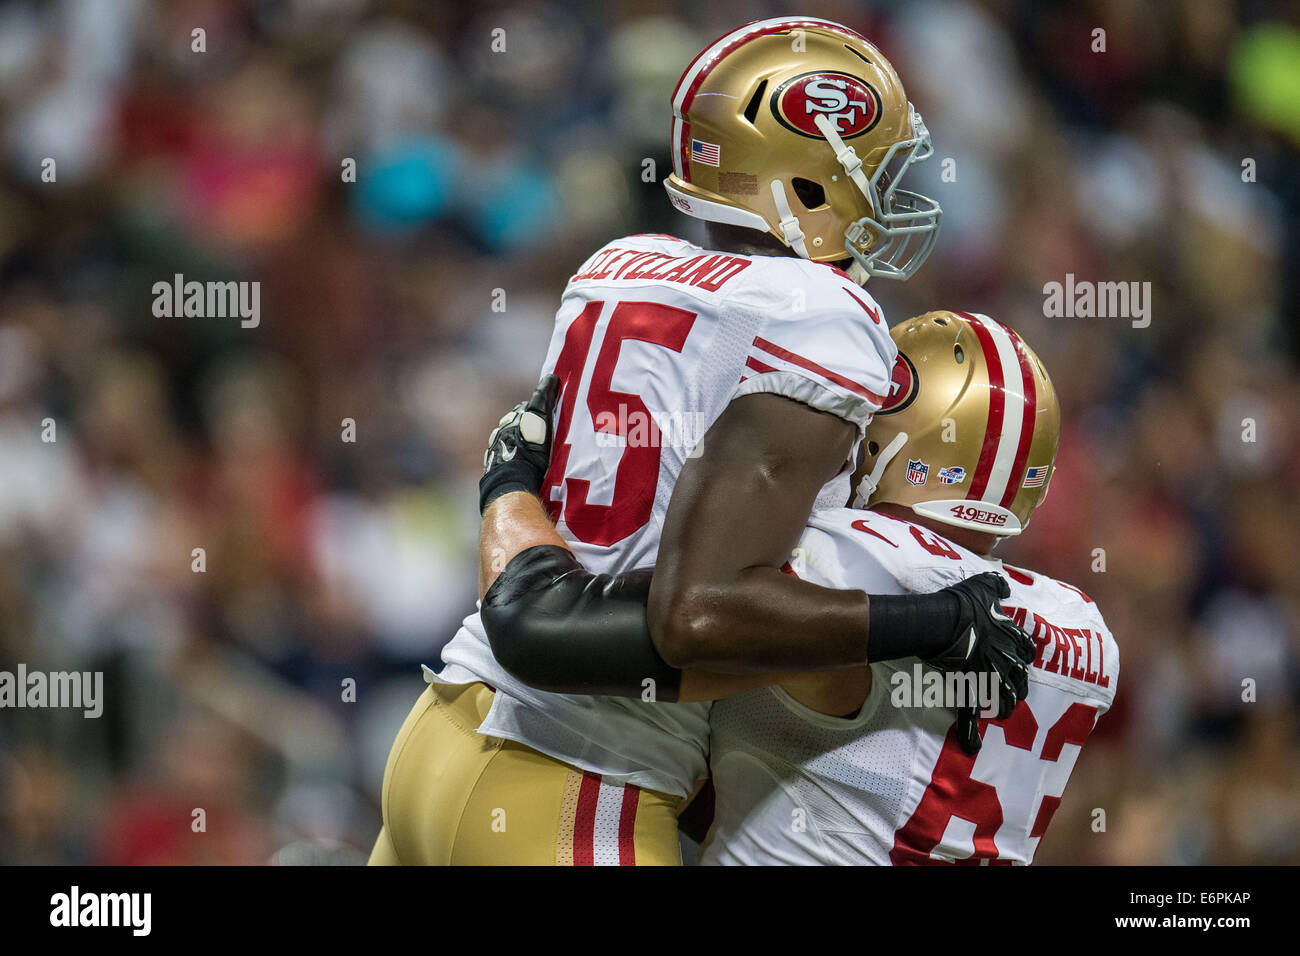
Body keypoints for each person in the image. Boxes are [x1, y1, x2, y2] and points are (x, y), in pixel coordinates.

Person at [369, 18, 1031, 866]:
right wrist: (927, 622)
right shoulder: (824, 317)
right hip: (579, 777)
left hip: (443, 727)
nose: (889, 195)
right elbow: (698, 611)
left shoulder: (616, 266)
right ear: (807, 180)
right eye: (876, 169)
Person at [481, 310, 1118, 865]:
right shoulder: (1084, 629)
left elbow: (559, 628)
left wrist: (508, 485)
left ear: (884, 442)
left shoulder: (847, 558)